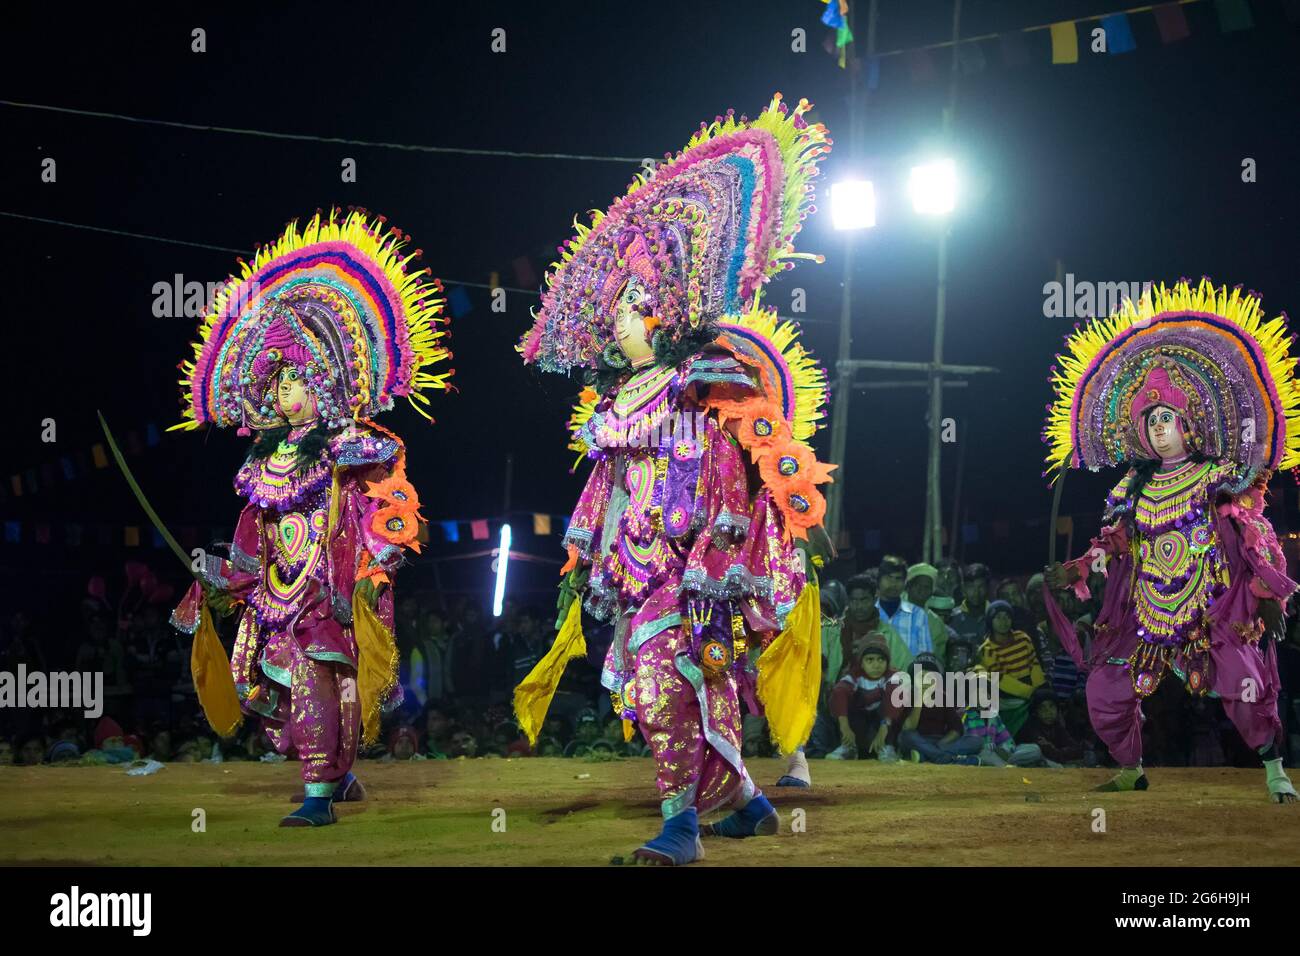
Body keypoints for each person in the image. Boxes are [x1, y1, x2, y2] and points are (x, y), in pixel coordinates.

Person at [513, 94, 833, 865]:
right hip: (633, 569)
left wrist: (712, 564)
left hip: (691, 572)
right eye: (617, 306)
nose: (617, 320)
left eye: (633, 304)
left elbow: (726, 477)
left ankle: (680, 828)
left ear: (665, 310)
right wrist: (582, 557)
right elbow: (606, 485)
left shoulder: (701, 384)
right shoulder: (618, 401)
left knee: (665, 689)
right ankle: (749, 805)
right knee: (678, 691)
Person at [169, 209, 452, 826]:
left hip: (327, 592)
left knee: (317, 683)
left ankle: (320, 795)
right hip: (276, 595)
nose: (285, 393)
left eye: (297, 378)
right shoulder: (266, 456)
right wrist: (222, 575)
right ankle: (338, 774)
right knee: (266, 683)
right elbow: (255, 528)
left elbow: (383, 506)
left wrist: (385, 552)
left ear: (324, 381)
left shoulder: (349, 447)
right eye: (278, 381)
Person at [1042, 278, 1298, 801]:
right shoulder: (1132, 485)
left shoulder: (1218, 476)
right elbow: (1113, 542)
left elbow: (1256, 534)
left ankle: (1274, 769)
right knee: (1105, 688)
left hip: (1212, 606)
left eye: (1168, 418)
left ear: (1190, 422)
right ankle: (1131, 768)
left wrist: (1270, 595)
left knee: (1245, 688)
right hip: (1146, 609)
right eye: (1151, 420)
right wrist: (1075, 570)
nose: (1159, 429)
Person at [826, 634, 907, 761]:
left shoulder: (893, 676)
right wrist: (844, 726)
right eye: (870, 660)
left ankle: (887, 747)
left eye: (881, 659)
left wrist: (885, 726)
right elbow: (839, 692)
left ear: (887, 662)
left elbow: (895, 699)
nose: (876, 665)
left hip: (882, 725)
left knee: (897, 700)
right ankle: (849, 747)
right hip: (860, 726)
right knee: (842, 699)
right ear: (861, 663)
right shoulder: (853, 676)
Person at [896, 653, 982, 765]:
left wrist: (940, 745)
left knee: (976, 741)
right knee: (906, 736)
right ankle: (949, 759)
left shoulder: (942, 697)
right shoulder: (907, 696)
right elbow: (908, 727)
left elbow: (957, 729)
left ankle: (928, 756)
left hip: (940, 741)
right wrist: (920, 698)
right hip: (918, 740)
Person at [977, 600, 1046, 736]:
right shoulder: (987, 649)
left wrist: (1040, 689)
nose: (1004, 621)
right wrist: (1029, 692)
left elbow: (1034, 664)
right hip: (1008, 696)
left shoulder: (1023, 638)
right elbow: (1001, 679)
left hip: (1032, 688)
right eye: (998, 617)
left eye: (1007, 617)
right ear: (990, 621)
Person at [876, 555, 933, 657]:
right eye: (889, 578)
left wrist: (917, 673)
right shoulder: (868, 612)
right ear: (879, 580)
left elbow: (925, 657)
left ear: (905, 582)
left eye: (898, 578)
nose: (893, 583)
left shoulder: (918, 615)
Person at [905, 562, 949, 666]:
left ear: (931, 591)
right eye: (918, 585)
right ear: (908, 587)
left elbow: (939, 656)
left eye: (927, 587)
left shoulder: (936, 622)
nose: (922, 590)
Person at [949, 563, 991, 646]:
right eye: (971, 587)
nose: (976, 592)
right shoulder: (951, 618)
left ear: (987, 588)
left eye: (981, 586)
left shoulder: (997, 615)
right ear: (963, 589)